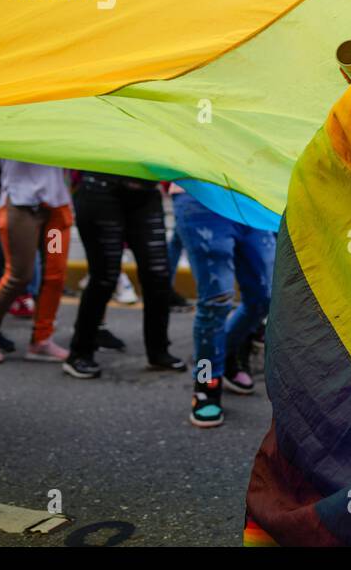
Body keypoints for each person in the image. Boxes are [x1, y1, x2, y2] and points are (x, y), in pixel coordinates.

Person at [171, 184, 276, 427]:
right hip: (200, 195)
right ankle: (206, 383)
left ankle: (226, 354)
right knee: (215, 303)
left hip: (250, 197)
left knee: (265, 297)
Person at [62, 173, 182, 379]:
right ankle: (79, 353)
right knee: (104, 277)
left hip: (146, 192)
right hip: (100, 189)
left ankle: (159, 351)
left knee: (158, 275)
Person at [0, 161, 72, 365]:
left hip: (55, 210)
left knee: (55, 275)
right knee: (19, 275)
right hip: (20, 206)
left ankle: (42, 339)